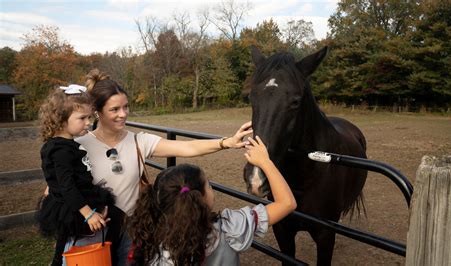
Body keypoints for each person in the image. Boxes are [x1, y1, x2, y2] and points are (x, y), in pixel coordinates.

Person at [68, 69, 253, 265]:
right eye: (114, 109)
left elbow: (187, 147)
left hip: (130, 234)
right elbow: (61, 187)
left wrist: (226, 142)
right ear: (97, 111)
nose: (123, 114)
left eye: (126, 107)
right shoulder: (79, 146)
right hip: (94, 233)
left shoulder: (139, 141)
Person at [128, 136, 297, 265]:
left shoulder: (152, 234)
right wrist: (265, 162)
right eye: (208, 185)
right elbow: (287, 203)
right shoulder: (229, 227)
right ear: (201, 198)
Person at [36, 85, 123, 266]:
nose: (88, 122)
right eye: (82, 118)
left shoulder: (67, 144)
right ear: (61, 120)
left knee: (115, 217)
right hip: (74, 205)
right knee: (71, 241)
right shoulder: (60, 150)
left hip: (81, 197)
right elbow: (67, 186)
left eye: (90, 117)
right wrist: (88, 214)